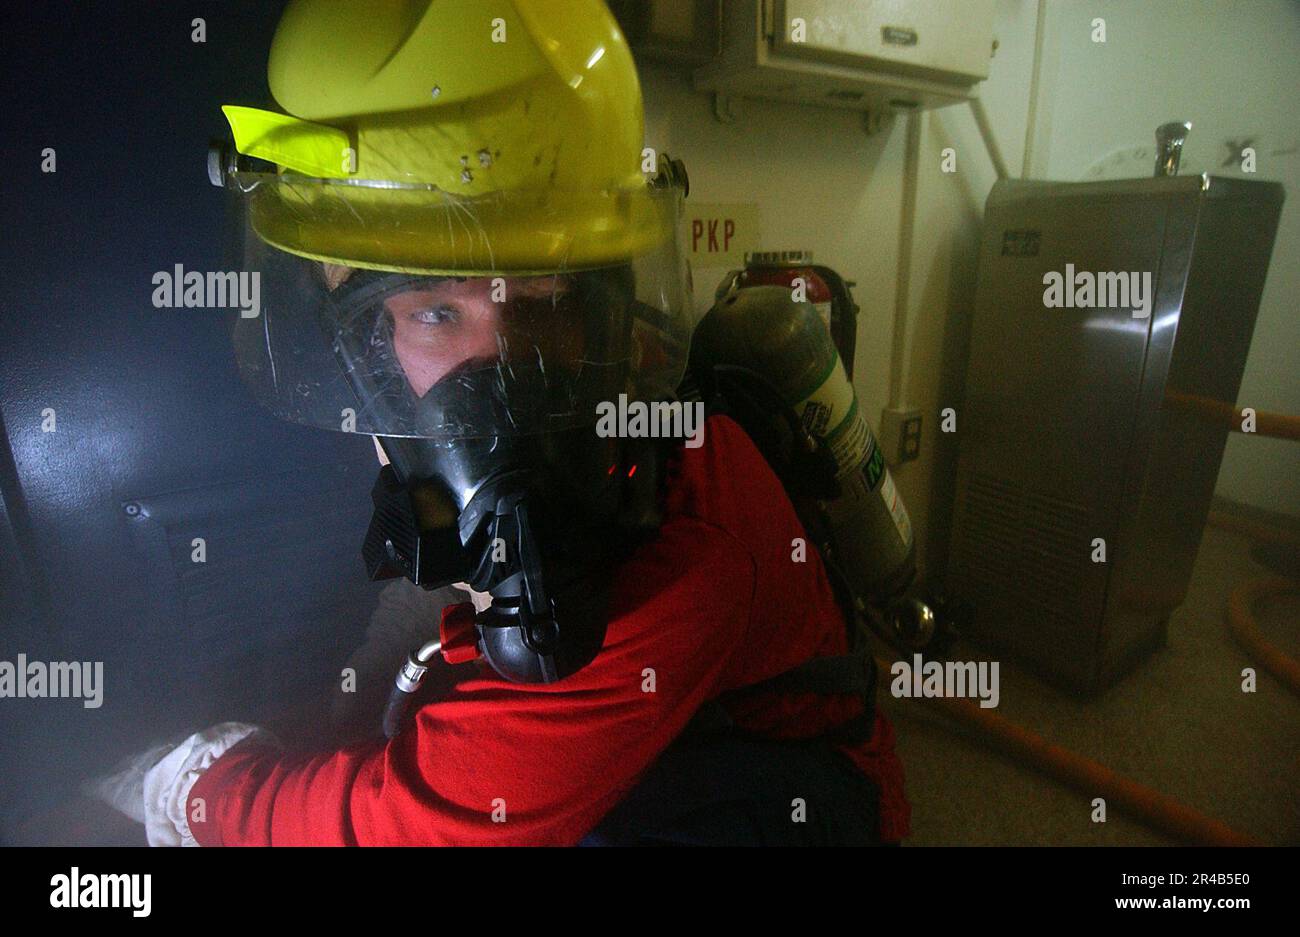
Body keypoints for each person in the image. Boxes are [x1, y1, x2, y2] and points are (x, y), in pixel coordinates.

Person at [89, 0, 909, 846]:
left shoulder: (683, 556)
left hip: (787, 791)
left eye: (548, 305)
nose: (502, 388)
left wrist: (195, 788)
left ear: (607, 314)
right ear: (364, 335)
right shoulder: (466, 458)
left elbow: (415, 827)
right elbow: (422, 638)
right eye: (438, 312)